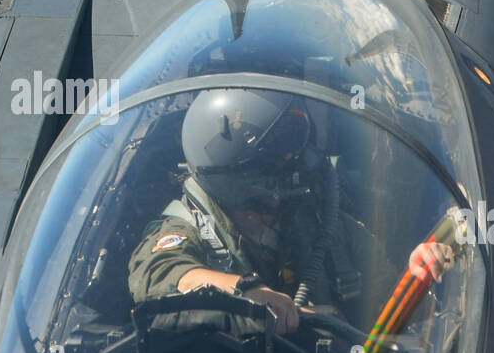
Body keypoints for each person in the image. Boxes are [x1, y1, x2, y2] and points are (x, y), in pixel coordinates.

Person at [128, 89, 454, 334]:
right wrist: (248, 293)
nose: (304, 165)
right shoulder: (189, 225)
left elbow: (401, 315)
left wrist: (418, 279)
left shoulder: (327, 229)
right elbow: (158, 271)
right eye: (285, 159)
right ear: (246, 176)